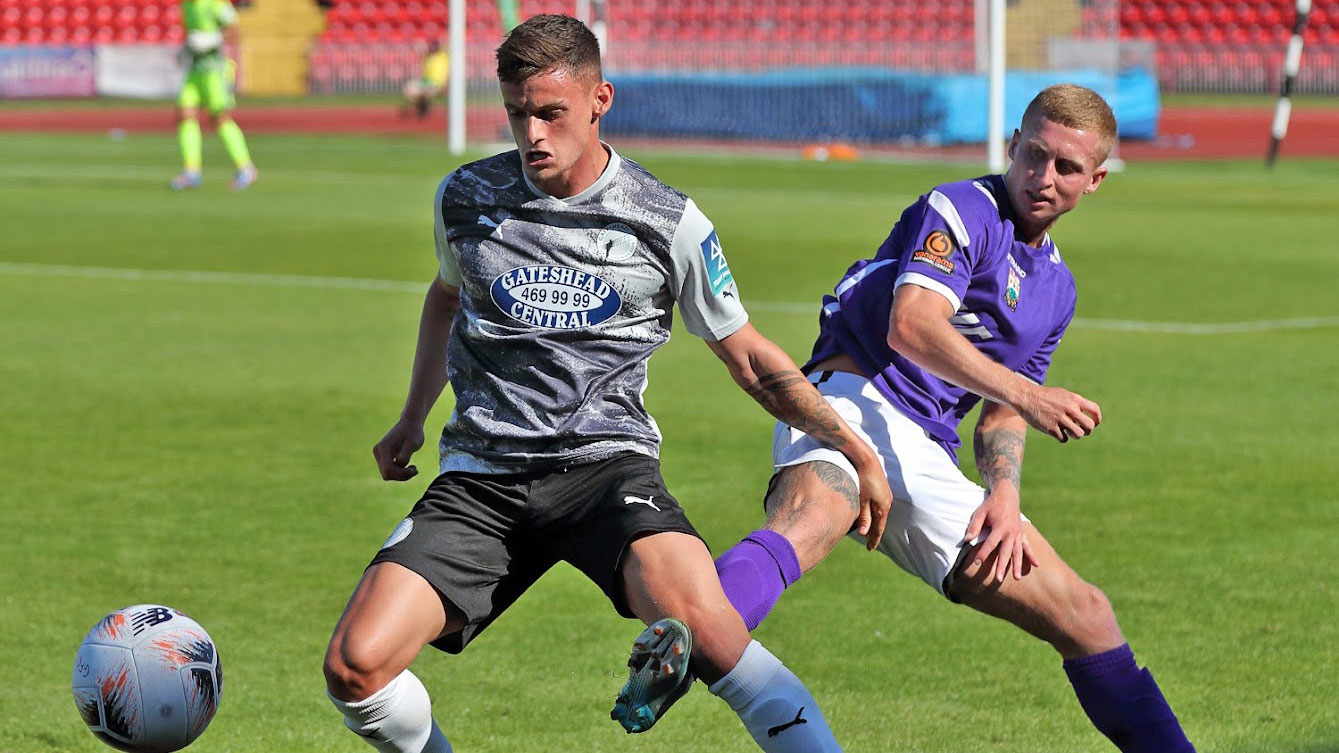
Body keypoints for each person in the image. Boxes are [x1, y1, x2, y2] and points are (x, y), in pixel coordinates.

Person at [320, 14, 892, 753]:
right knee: (354, 665)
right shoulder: (465, 198)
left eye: (551, 113)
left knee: (713, 631)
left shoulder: (666, 221)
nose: (532, 134)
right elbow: (446, 294)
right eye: (517, 112)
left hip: (605, 468)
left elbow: (746, 354)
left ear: (599, 101)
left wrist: (854, 448)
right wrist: (412, 415)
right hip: (482, 478)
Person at [636, 84, 1197, 752]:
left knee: (1086, 614)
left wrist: (1005, 492)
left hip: (927, 452)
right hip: (848, 395)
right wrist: (1028, 392)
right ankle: (684, 638)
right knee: (816, 514)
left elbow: (999, 417)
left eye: (1066, 168)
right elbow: (910, 326)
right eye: (1034, 155)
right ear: (1012, 145)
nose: (1043, 177)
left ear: (1095, 179)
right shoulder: (960, 208)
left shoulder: (1057, 289)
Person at [171, 0, 257, 191]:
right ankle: (191, 171)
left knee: (219, 119)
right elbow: (190, 35)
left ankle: (245, 168)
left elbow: (234, 31)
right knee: (184, 114)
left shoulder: (215, 4)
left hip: (215, 71)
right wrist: (185, 50)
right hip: (195, 70)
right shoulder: (186, 6)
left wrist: (212, 39)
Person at [401, 39, 449, 119]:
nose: (432, 48)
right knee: (409, 88)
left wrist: (446, 84)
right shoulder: (426, 57)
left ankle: (423, 107)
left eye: (434, 46)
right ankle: (423, 106)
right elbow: (424, 73)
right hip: (427, 82)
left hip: (438, 83)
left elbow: (449, 48)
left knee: (424, 92)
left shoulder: (443, 55)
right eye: (431, 46)